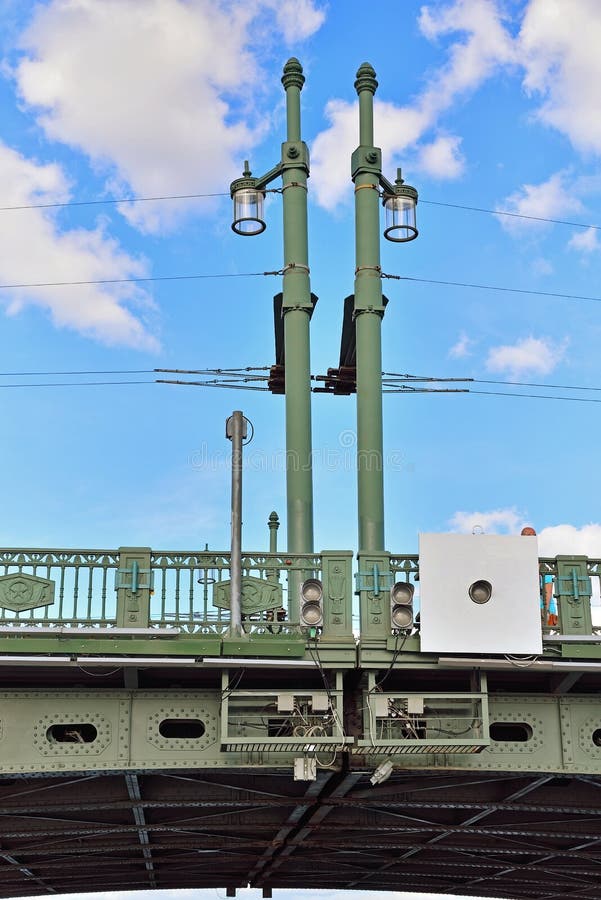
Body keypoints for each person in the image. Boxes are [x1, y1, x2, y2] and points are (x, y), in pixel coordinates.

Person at [521, 526, 557, 626]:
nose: (531, 537)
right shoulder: (519, 563)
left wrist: (545, 612)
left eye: (533, 535)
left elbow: (548, 591)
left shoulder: (543, 566)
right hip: (526, 610)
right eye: (527, 535)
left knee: (546, 640)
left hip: (545, 610)